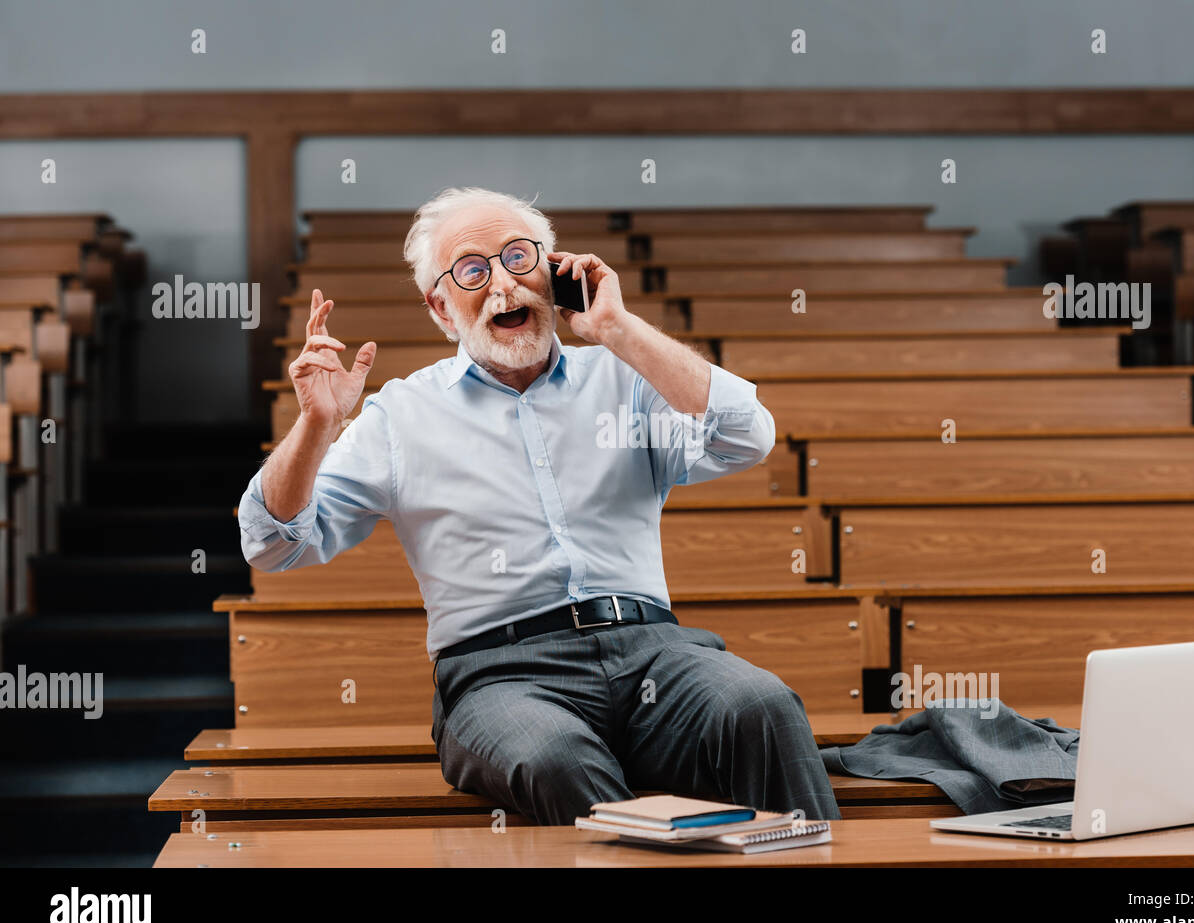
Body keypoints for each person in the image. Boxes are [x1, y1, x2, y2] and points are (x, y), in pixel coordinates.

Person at [238, 186, 840, 825]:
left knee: (761, 706)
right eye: (473, 269)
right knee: (555, 757)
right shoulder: (399, 416)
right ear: (441, 306)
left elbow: (749, 435)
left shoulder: (623, 378)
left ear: (555, 273)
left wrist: (617, 329)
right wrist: (315, 427)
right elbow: (273, 544)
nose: (503, 283)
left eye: (519, 258)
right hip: (501, 677)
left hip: (654, 652)